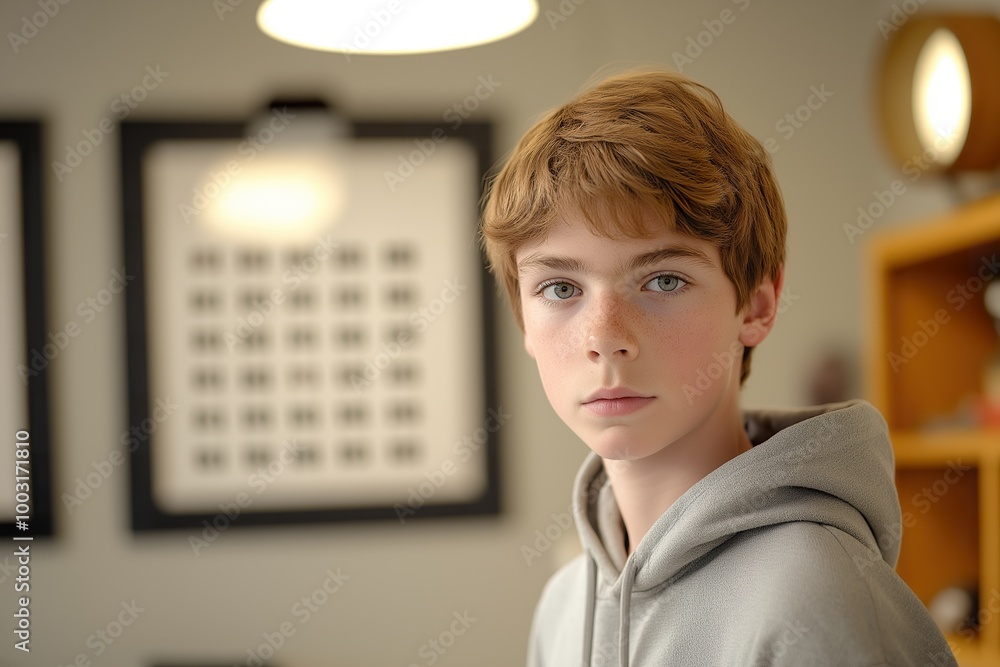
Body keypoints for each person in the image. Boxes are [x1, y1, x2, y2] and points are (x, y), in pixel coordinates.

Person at [479, 68, 958, 666]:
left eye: (663, 279)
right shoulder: (562, 605)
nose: (605, 339)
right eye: (558, 288)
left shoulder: (816, 600)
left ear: (757, 305)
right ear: (523, 319)